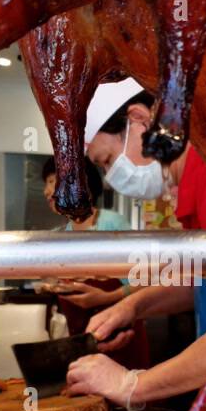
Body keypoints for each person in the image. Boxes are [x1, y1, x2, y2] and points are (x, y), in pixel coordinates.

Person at [65, 79, 206, 408]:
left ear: (140, 120)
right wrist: (133, 307)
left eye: (107, 161)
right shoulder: (192, 184)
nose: (111, 177)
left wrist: (132, 385)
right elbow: (205, 283)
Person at [42, 156, 150, 370]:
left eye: (53, 181)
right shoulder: (62, 235)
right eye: (45, 183)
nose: (46, 191)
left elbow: (145, 280)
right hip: (81, 340)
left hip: (121, 335)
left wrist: (106, 297)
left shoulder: (112, 223)